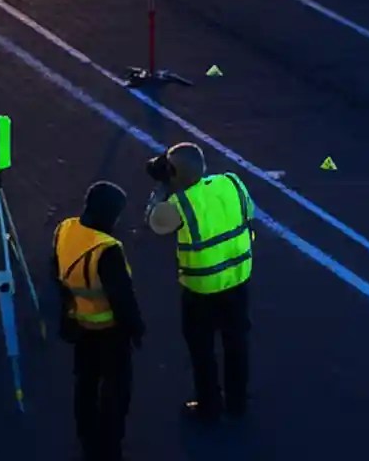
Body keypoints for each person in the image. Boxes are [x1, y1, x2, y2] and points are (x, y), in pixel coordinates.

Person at [145, 142, 255, 421]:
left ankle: (209, 406)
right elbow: (249, 212)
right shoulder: (232, 183)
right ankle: (237, 402)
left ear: (174, 173)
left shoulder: (178, 205)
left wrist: (161, 190)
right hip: (238, 280)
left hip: (201, 291)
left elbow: (155, 222)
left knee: (202, 350)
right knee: (236, 344)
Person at [53, 182, 145, 461]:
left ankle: (86, 437)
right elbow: (122, 297)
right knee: (115, 392)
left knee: (85, 383)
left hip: (80, 325)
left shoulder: (65, 229)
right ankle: (109, 448)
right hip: (109, 331)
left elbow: (55, 274)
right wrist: (136, 328)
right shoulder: (107, 249)